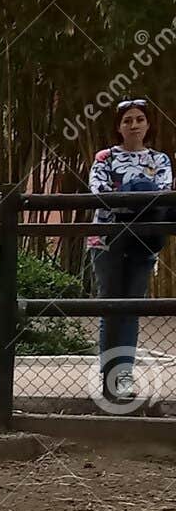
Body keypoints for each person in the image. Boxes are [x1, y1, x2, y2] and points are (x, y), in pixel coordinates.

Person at [89, 99, 172, 403]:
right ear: (118, 126)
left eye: (139, 119)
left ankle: (123, 375)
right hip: (106, 238)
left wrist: (131, 196)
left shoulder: (160, 159)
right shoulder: (104, 157)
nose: (134, 124)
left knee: (132, 307)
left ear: (148, 124)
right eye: (127, 120)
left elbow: (163, 193)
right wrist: (139, 195)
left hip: (143, 239)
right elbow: (98, 192)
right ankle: (108, 378)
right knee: (110, 306)